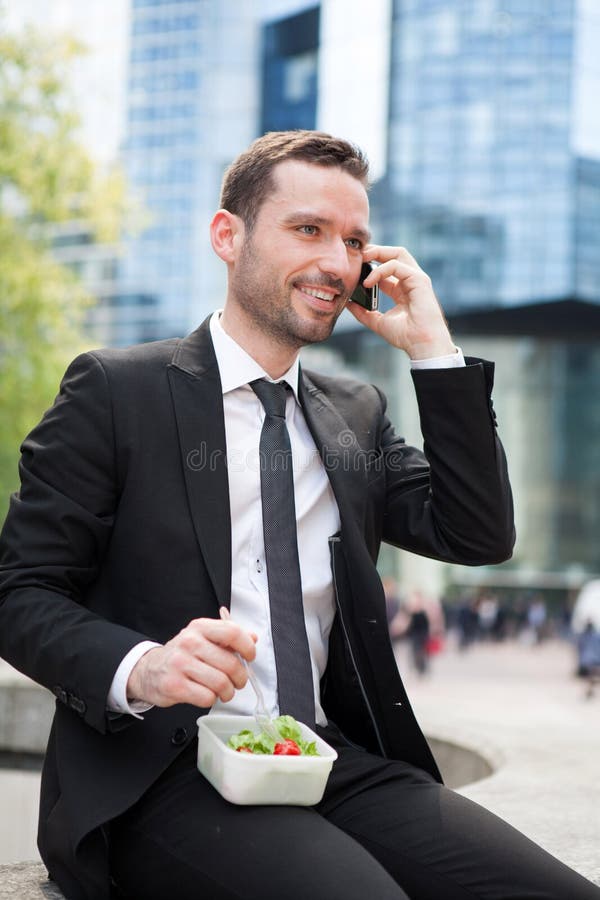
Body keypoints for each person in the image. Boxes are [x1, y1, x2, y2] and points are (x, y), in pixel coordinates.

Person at [0, 130, 597, 900]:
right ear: (229, 235)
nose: (337, 261)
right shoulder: (117, 393)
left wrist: (434, 354)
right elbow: (21, 594)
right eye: (307, 230)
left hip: (328, 757)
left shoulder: (354, 411)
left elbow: (477, 532)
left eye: (354, 240)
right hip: (164, 773)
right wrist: (142, 666)